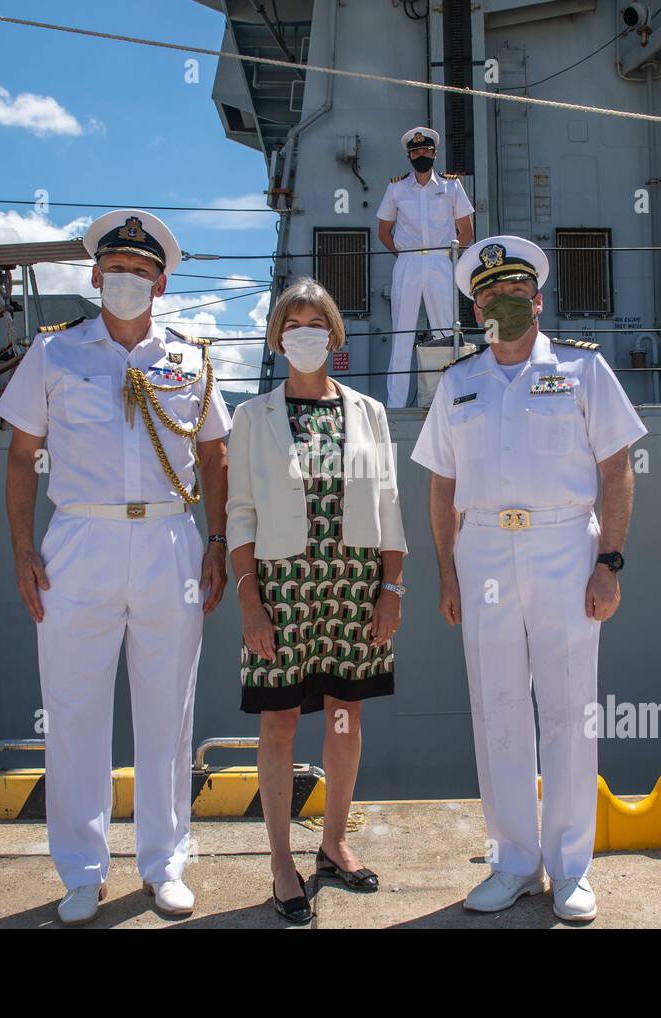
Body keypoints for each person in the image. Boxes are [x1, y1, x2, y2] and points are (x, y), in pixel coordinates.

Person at [0, 209, 232, 925]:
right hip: (78, 544)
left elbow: (216, 457)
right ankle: (81, 868)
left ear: (160, 285)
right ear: (96, 277)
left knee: (168, 712)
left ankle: (165, 865)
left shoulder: (191, 356)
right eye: (117, 271)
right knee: (73, 712)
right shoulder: (54, 354)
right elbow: (19, 457)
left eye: (142, 273)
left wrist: (216, 541)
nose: (128, 282)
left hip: (168, 541)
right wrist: (22, 549)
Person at [410, 235, 647, 923]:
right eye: (488, 298)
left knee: (571, 709)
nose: (502, 305)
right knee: (497, 710)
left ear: (536, 300)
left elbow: (616, 468)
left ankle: (572, 869)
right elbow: (441, 485)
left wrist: (610, 563)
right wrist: (448, 570)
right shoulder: (459, 383)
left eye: (514, 294)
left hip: (564, 546)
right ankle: (513, 862)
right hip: (482, 551)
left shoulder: (583, 370)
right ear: (475, 309)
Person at [226, 278, 408, 924]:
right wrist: (249, 603)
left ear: (334, 334)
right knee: (277, 722)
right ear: (278, 338)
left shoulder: (368, 414)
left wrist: (391, 589)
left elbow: (388, 505)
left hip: (352, 588)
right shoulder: (251, 419)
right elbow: (240, 514)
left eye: (316, 321)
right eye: (292, 322)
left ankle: (332, 843)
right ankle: (282, 863)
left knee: (343, 717)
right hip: (281, 591)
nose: (304, 331)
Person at [376, 126, 474, 410]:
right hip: (408, 261)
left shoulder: (451, 186)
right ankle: (395, 402)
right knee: (402, 333)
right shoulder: (396, 188)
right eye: (416, 151)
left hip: (439, 259)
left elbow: (465, 230)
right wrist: (403, 255)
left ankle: (447, 397)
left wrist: (447, 254)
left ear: (434, 153)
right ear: (409, 155)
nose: (422, 155)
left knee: (446, 331)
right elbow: (384, 230)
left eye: (426, 151)